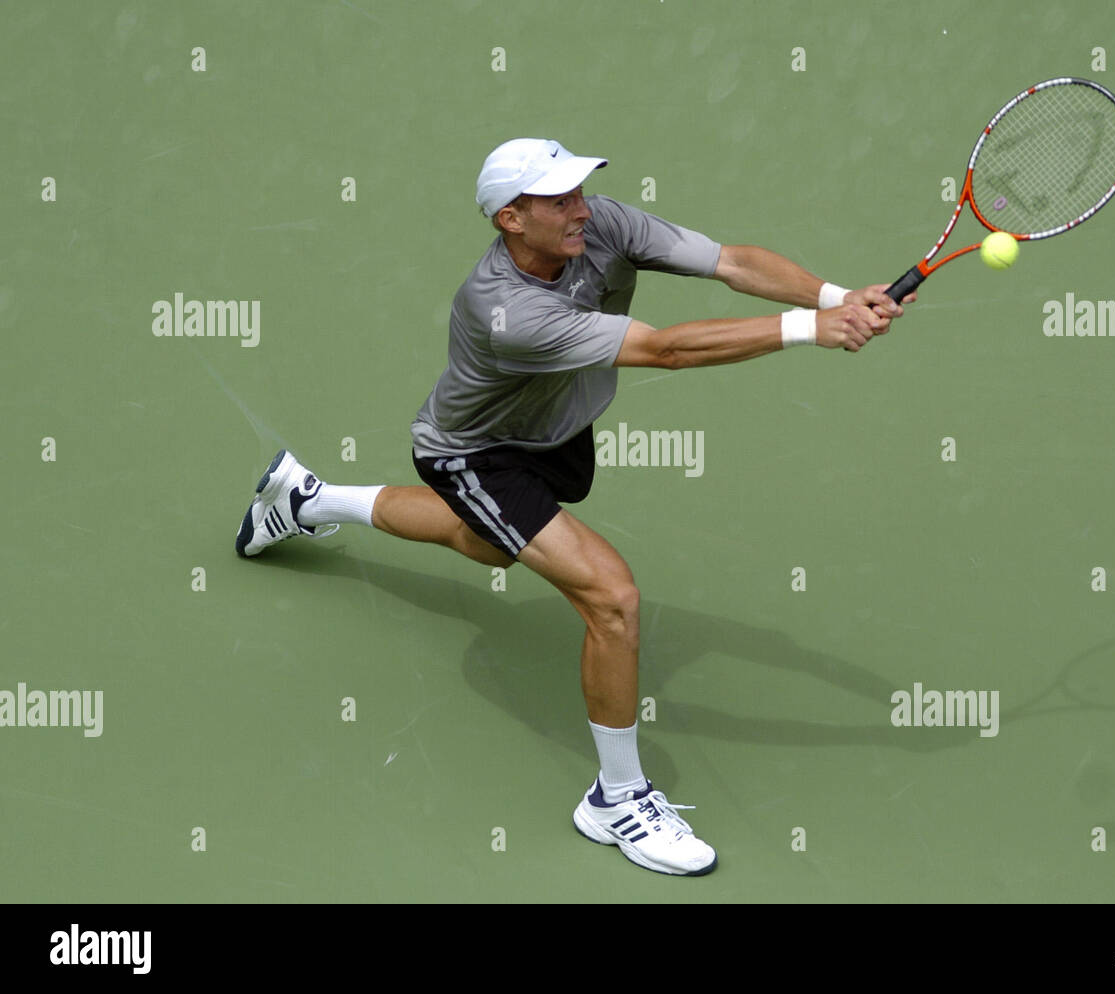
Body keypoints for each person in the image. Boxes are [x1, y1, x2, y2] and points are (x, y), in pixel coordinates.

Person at [235, 138, 915, 876]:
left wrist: (832, 297)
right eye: (557, 199)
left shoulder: (601, 227)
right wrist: (808, 331)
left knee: (486, 545)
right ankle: (616, 800)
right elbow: (666, 352)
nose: (579, 208)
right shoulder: (503, 309)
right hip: (476, 454)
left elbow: (729, 261)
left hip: (556, 431)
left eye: (578, 191)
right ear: (509, 219)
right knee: (612, 597)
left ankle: (307, 499)